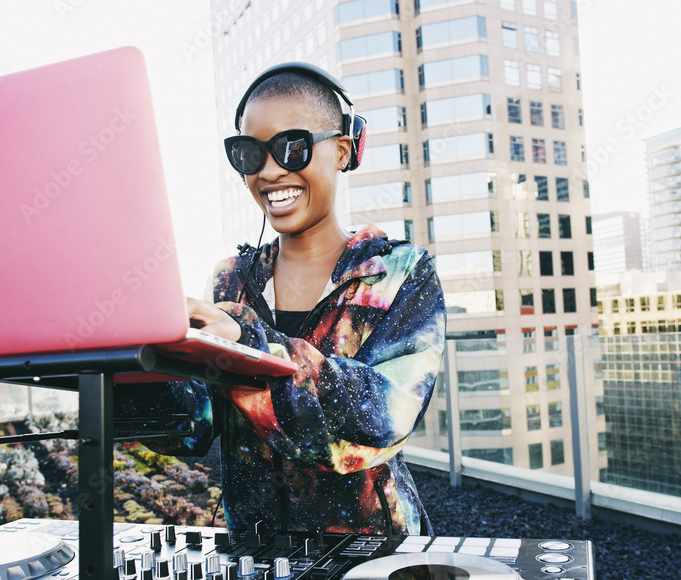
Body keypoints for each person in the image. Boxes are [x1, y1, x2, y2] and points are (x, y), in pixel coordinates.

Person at [116, 63, 446, 535]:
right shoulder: (230, 282)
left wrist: (248, 346)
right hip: (256, 560)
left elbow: (384, 419)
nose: (270, 172)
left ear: (343, 151)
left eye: (292, 147)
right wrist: (131, 364)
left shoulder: (399, 273)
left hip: (374, 562)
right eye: (249, 153)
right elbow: (196, 425)